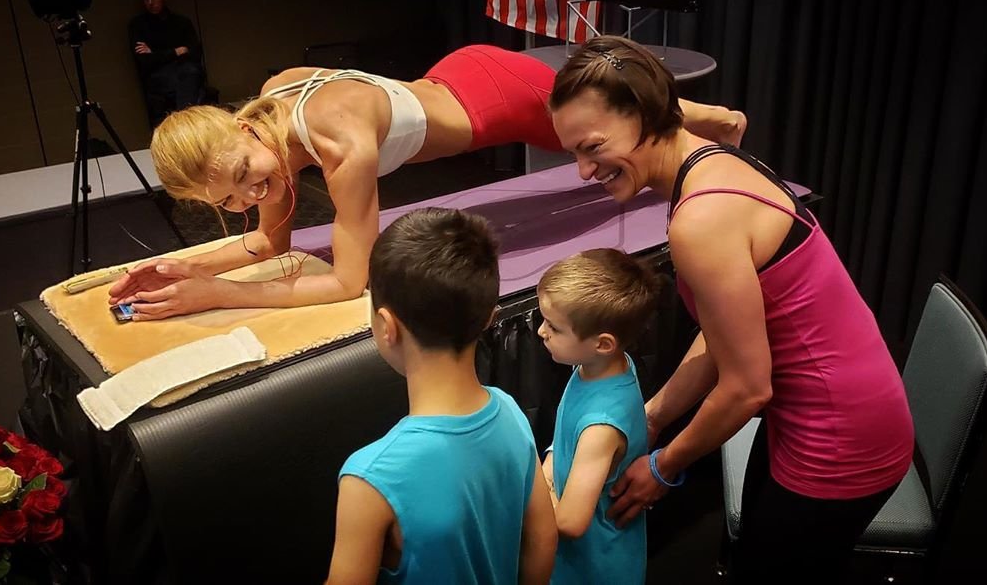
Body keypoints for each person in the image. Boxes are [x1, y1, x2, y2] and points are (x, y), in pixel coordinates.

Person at [547, 36, 914, 584]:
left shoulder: (702, 220)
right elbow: (725, 334)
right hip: (825, 410)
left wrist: (662, 468)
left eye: (592, 146)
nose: (582, 170)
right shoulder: (712, 163)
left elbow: (746, 386)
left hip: (841, 433)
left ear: (647, 114)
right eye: (572, 152)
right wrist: (653, 417)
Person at [107, 44, 746, 319]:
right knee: (605, 122)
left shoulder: (338, 144)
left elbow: (347, 281)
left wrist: (222, 295)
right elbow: (269, 246)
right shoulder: (268, 112)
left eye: (248, 178)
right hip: (452, 80)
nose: (252, 197)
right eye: (231, 200)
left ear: (239, 131)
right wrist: (183, 269)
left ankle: (720, 118)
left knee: (620, 119)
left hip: (496, 99)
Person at [326, 207, 557, 584]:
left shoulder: (369, 478)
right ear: (489, 317)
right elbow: (543, 539)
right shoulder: (511, 412)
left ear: (386, 326)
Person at [535, 249, 658, 584]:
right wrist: (546, 472)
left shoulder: (600, 427)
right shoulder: (600, 367)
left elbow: (570, 522)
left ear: (602, 343)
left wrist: (526, 501)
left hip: (592, 568)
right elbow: (565, 436)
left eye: (554, 327)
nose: (540, 332)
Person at [128, 0, 206, 127]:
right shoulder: (138, 25)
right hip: (158, 80)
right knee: (188, 76)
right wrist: (175, 51)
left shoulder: (181, 22)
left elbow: (194, 53)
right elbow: (145, 61)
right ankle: (185, 123)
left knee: (191, 73)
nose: (150, 3)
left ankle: (186, 123)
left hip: (185, 74)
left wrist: (155, 53)